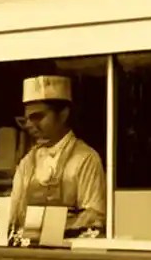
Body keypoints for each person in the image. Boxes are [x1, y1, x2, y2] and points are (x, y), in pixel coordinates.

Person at [8, 75, 106, 238]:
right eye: (26, 119)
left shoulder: (85, 159)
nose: (30, 125)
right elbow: (14, 212)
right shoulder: (26, 162)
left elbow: (94, 218)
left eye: (38, 117)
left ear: (63, 115)